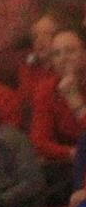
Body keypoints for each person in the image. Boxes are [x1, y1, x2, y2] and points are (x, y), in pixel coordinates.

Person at [27, 26, 86, 167]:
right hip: (70, 163)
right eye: (56, 54)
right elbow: (39, 141)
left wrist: (77, 103)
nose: (63, 58)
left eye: (70, 51)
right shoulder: (46, 89)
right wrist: (72, 152)